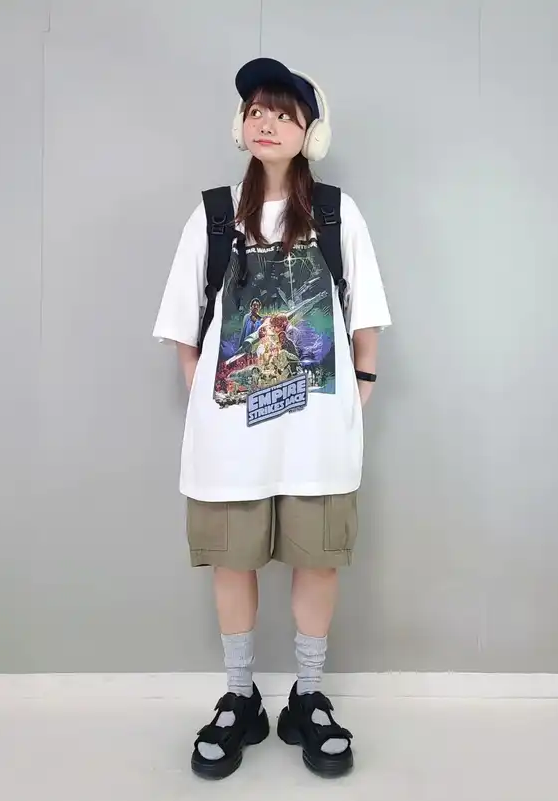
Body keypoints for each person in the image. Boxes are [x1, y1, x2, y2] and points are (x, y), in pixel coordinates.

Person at [153, 57, 391, 780]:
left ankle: (307, 698)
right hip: (232, 435)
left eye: (284, 113)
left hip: (316, 433)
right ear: (241, 125)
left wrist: (360, 386)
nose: (266, 123)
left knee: (317, 558)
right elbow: (184, 323)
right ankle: (240, 698)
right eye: (256, 110)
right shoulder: (214, 215)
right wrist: (207, 398)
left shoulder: (336, 213)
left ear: (310, 133)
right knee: (234, 560)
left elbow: (366, 314)